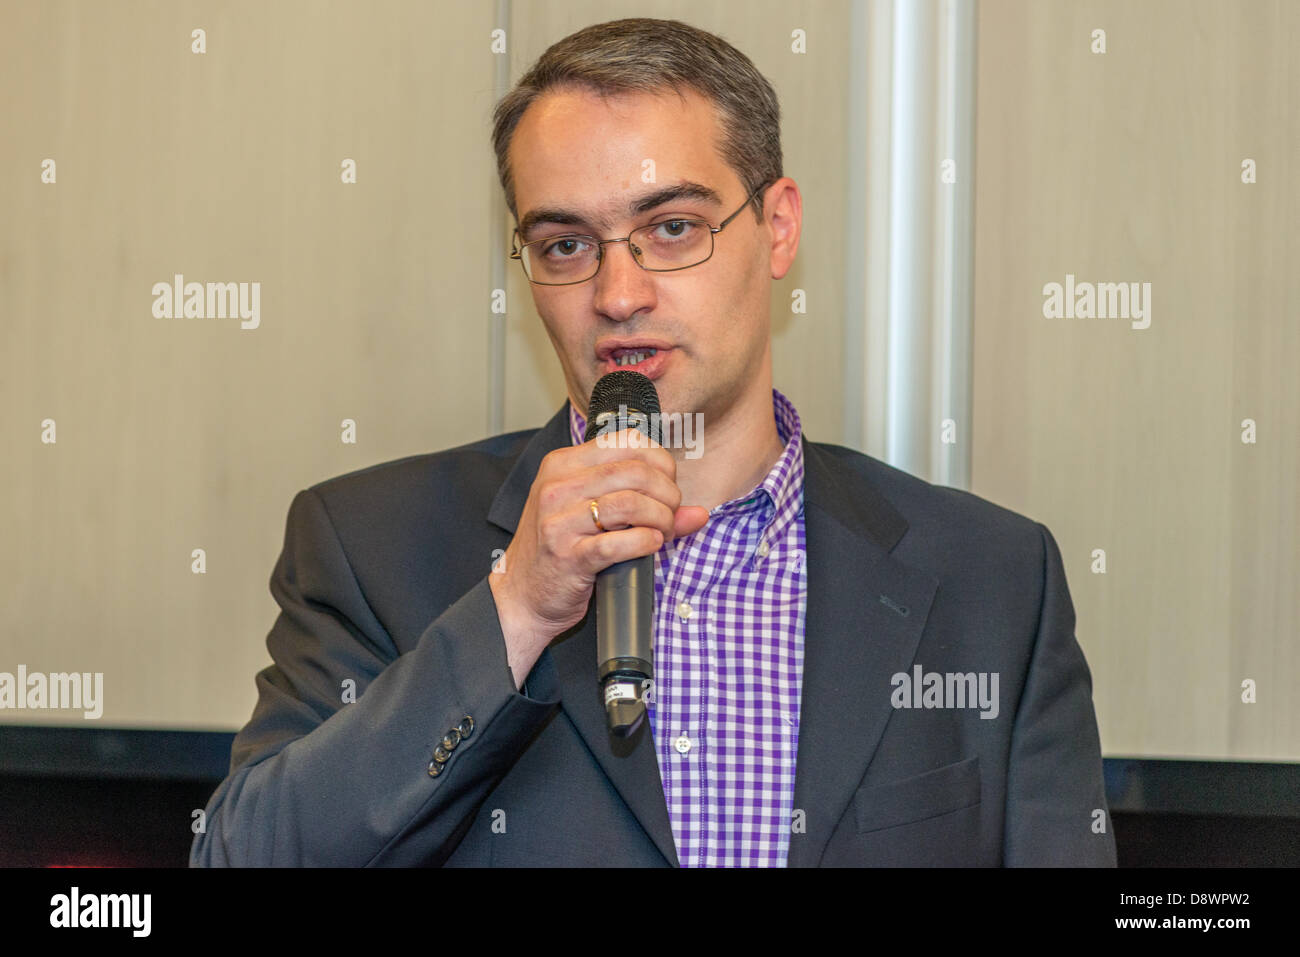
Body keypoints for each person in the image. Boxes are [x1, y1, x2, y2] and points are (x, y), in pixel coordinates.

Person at [190, 17, 1115, 867]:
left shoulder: (995, 579)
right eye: (564, 245)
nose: (618, 292)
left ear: (778, 226)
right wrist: (516, 609)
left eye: (672, 229)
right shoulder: (371, 546)